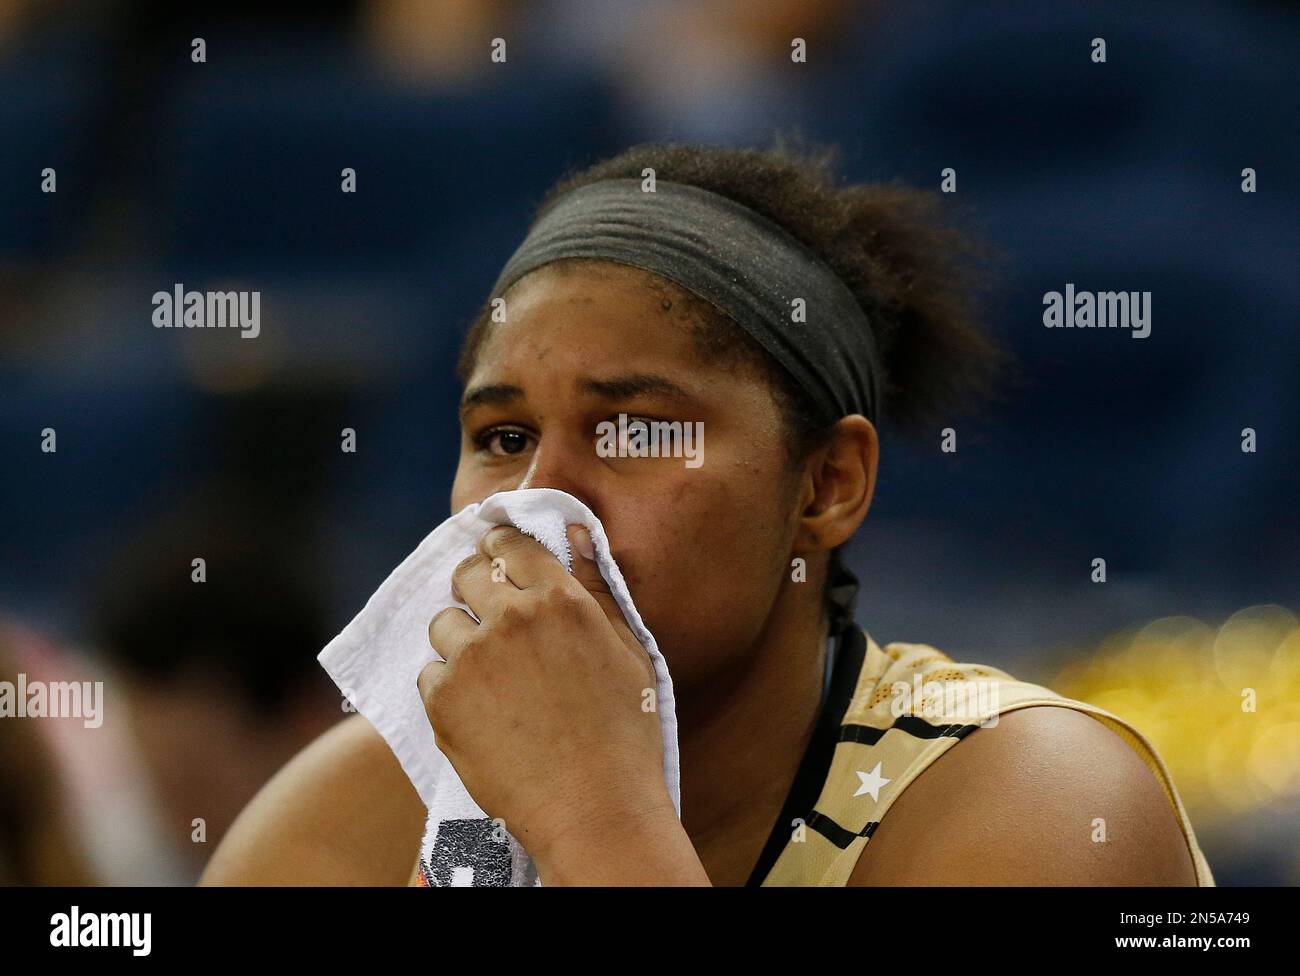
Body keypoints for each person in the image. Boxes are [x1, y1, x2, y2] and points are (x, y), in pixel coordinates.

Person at [202, 142, 1213, 886]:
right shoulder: (346, 825)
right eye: (504, 438)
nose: (540, 501)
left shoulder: (1039, 800)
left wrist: (592, 815)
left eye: (633, 430)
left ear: (825, 485)